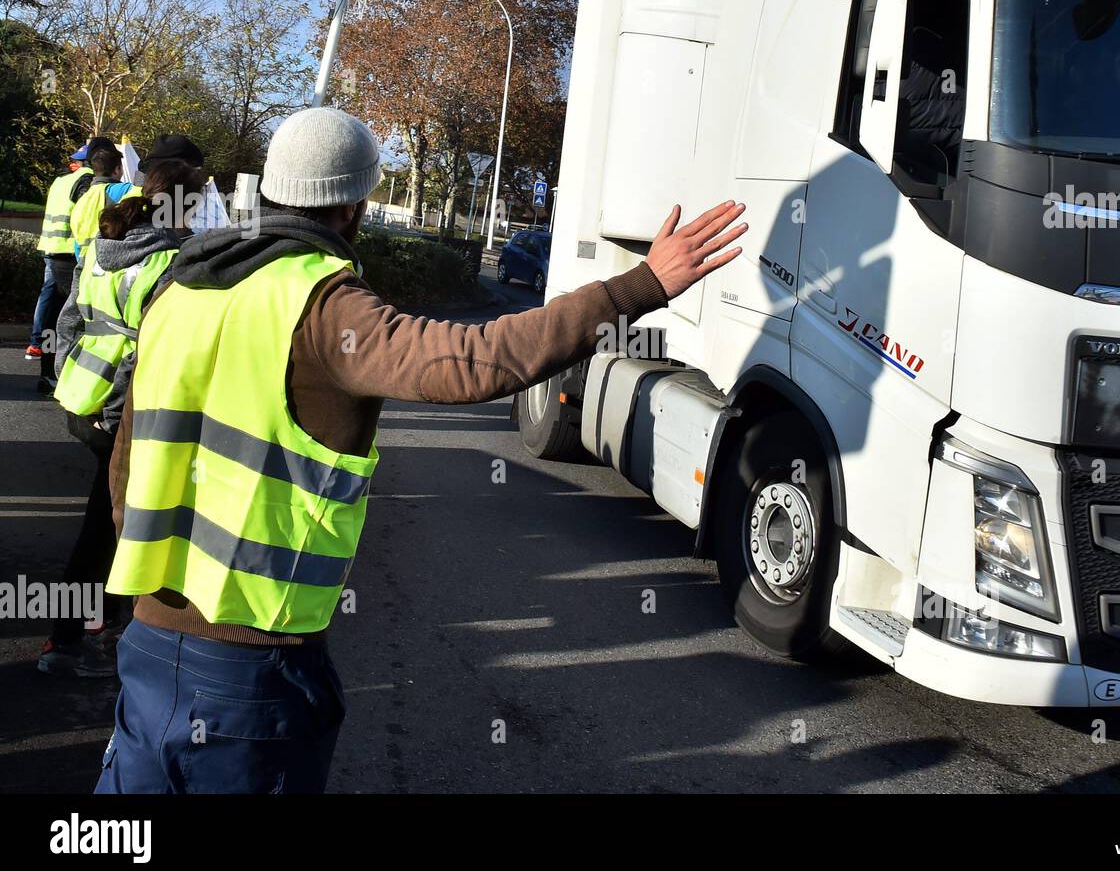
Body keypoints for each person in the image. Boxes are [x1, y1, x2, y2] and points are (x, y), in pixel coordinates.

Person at [96, 107, 746, 794]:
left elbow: (127, 458)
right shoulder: (322, 304)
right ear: (353, 207)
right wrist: (639, 286)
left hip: (150, 640)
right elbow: (476, 356)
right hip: (248, 666)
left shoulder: (180, 287)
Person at [38, 158, 208, 678]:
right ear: (187, 205)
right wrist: (118, 417)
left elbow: (69, 321)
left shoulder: (98, 248)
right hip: (119, 414)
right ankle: (67, 640)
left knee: (110, 518)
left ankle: (92, 622)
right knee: (108, 525)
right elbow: (146, 353)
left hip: (83, 402)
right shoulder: (169, 265)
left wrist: (75, 386)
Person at [31, 138, 118, 391]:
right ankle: (65, 375)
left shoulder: (60, 180)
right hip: (73, 255)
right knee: (76, 320)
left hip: (52, 250)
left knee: (54, 317)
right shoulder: (89, 181)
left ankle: (47, 372)